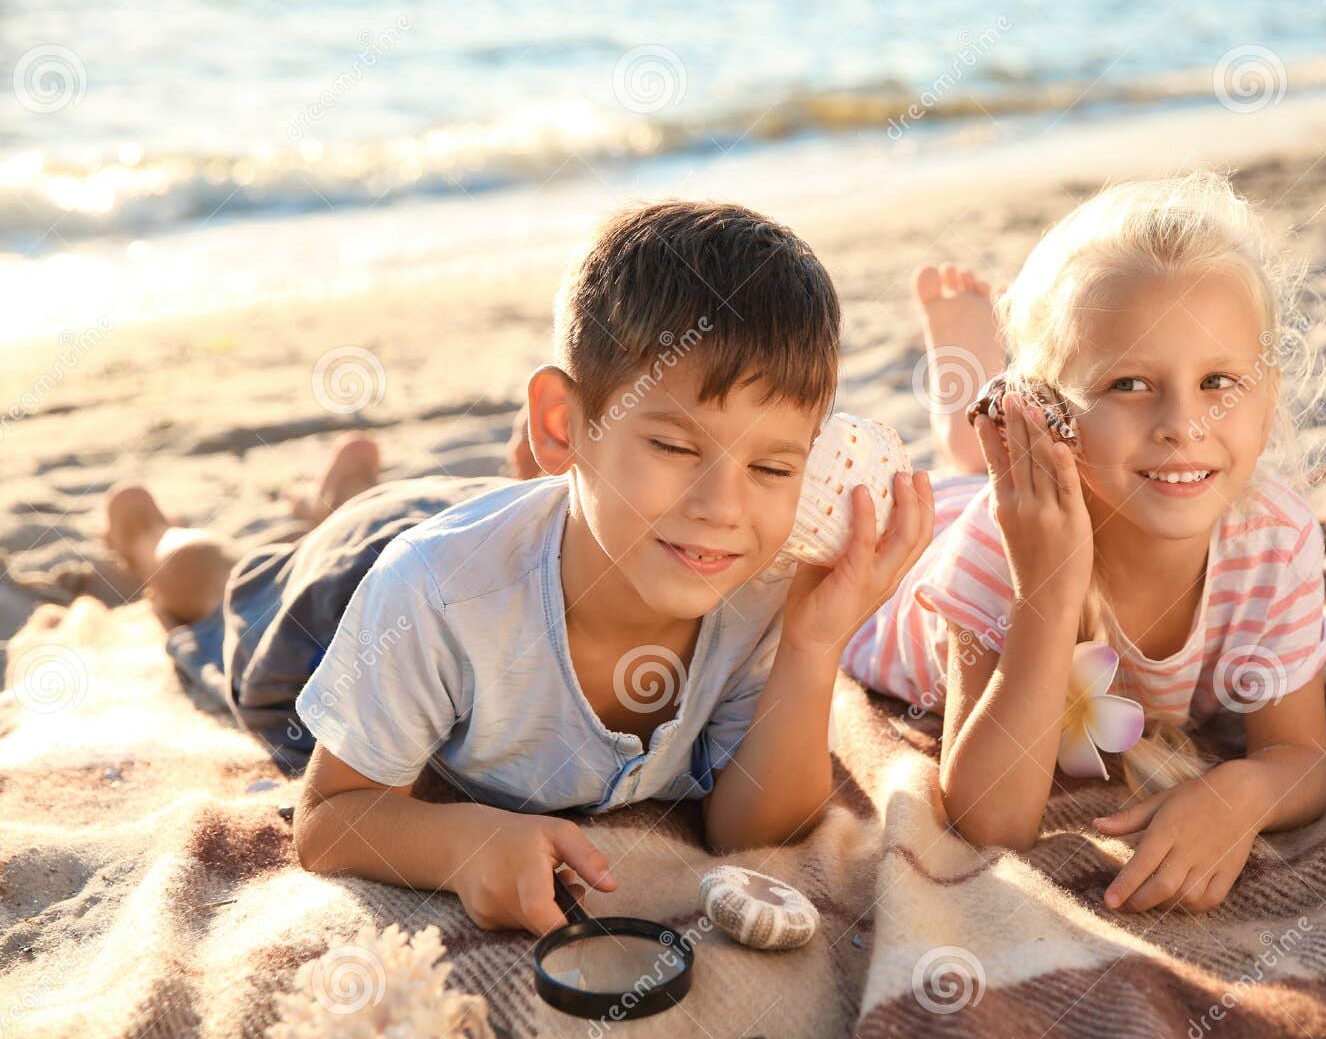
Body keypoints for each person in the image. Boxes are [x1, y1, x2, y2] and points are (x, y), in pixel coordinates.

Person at [102, 199, 935, 935]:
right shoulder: (433, 592)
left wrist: (814, 645)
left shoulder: (754, 582)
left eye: (773, 467)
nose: (725, 506)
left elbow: (753, 830)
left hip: (550, 523)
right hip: (348, 594)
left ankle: (341, 492)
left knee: (485, 524)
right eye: (677, 447)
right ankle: (156, 534)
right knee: (213, 586)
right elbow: (328, 821)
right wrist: (463, 843)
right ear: (561, 424)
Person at [842, 172, 1326, 914]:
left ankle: (970, 426)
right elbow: (990, 820)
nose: (1183, 426)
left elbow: (1302, 759)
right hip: (925, 543)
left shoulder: (1276, 538)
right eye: (1129, 384)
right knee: (938, 494)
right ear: (1051, 415)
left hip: (1060, 473)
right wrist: (1047, 585)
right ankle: (975, 425)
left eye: (1219, 381)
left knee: (974, 468)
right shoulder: (993, 547)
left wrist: (1241, 793)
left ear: (1267, 398)